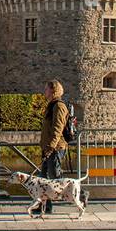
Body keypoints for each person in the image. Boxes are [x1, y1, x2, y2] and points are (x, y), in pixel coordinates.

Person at [36, 80, 70, 214]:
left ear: (53, 90)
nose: (44, 91)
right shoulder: (51, 105)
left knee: (56, 179)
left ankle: (81, 194)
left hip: (55, 148)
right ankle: (45, 206)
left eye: (46, 89)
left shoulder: (58, 106)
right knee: (43, 179)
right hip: (47, 147)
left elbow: (58, 128)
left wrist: (50, 147)